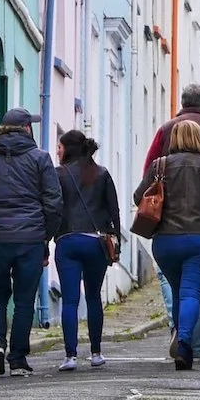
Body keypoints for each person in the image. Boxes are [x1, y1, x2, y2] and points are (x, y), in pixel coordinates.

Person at [132, 117, 200, 371]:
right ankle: (184, 343)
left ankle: (179, 334)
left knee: (178, 291)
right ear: (198, 139)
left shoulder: (159, 165)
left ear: (173, 139)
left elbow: (139, 196)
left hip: (166, 242)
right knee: (192, 292)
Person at [0, 109, 62, 375]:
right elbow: (53, 203)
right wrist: (46, 236)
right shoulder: (41, 159)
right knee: (24, 299)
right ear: (26, 129)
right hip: (30, 238)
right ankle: (17, 358)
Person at [52, 130, 120, 371]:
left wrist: (50, 235)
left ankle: (70, 356)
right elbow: (114, 210)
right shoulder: (101, 174)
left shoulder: (59, 174)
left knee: (69, 300)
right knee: (93, 297)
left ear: (68, 149)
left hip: (68, 242)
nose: (57, 151)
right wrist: (117, 241)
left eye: (59, 147)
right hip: (96, 243)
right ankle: (96, 353)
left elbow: (53, 207)